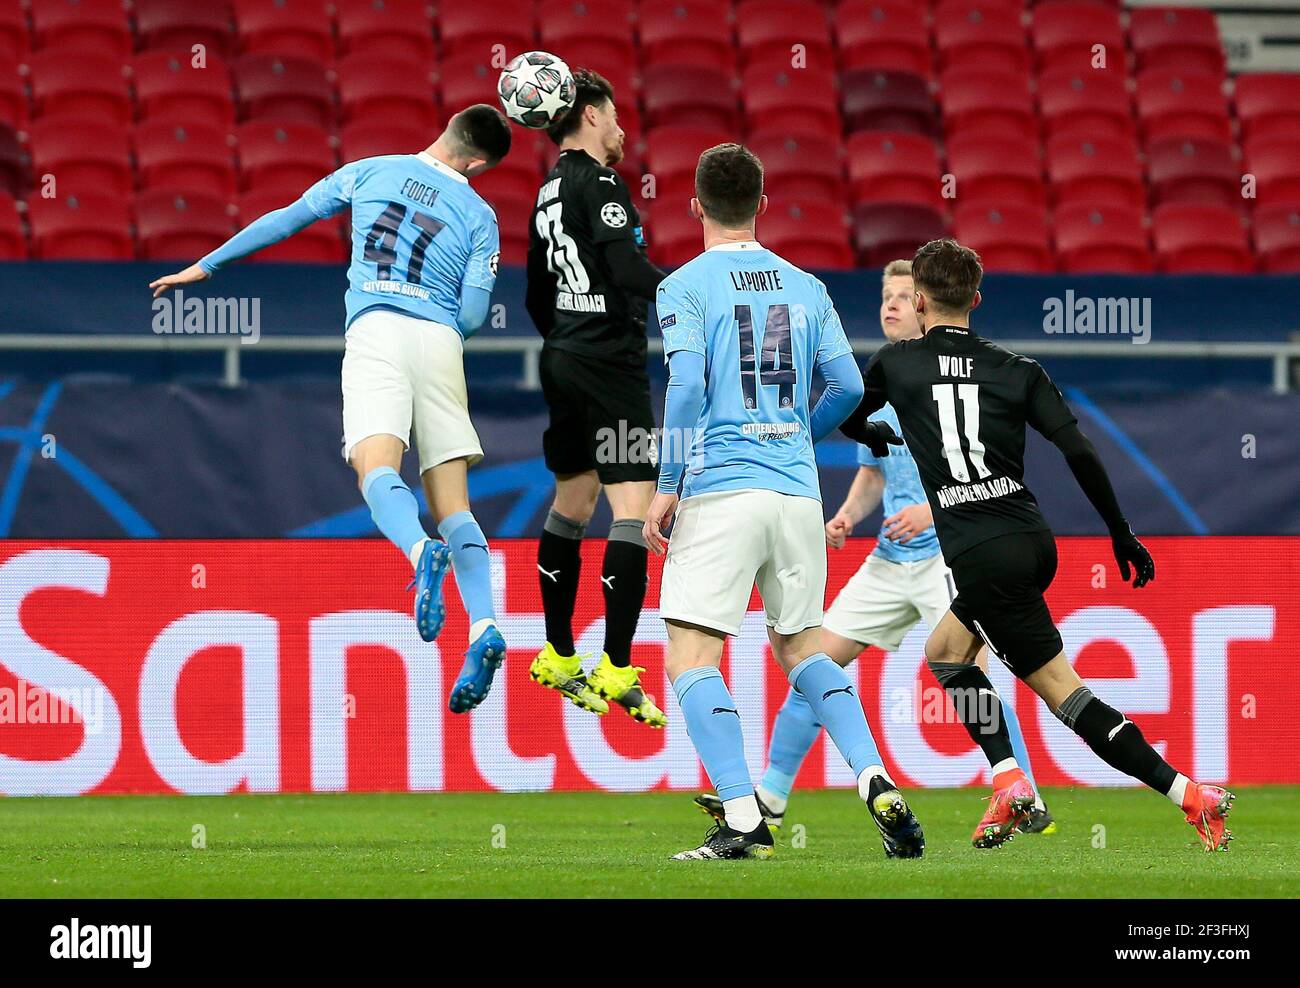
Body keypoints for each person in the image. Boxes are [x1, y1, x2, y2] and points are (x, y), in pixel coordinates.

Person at [840, 238, 1234, 852]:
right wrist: (1120, 531)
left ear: (918, 300)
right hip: (1029, 536)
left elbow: (846, 415)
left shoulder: (897, 365)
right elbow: (1077, 449)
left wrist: (877, 433)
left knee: (1064, 694)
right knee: (947, 651)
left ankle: (1187, 794)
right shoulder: (1020, 371)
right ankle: (1009, 779)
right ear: (976, 298)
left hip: (978, 553)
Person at [149, 105, 513, 715]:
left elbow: (287, 219)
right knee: (456, 507)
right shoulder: (482, 215)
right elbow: (474, 316)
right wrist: (441, 329)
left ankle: (420, 553)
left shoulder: (368, 171)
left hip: (377, 330)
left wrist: (208, 264)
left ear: (448, 132)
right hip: (441, 342)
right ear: (477, 163)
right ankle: (485, 626)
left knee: (376, 471)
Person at [694, 259, 1055, 837]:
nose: (889, 305)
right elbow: (877, 474)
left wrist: (931, 510)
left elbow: (992, 473)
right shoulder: (883, 379)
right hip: (890, 561)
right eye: (884, 296)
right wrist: (845, 516)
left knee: (969, 670)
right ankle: (770, 797)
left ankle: (1025, 796)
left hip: (949, 553)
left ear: (926, 306)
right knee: (812, 662)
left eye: (902, 295)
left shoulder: (957, 380)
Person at [646, 143, 925, 861]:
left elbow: (682, 390)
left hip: (720, 490)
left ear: (696, 205)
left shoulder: (682, 286)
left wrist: (668, 483)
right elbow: (850, 389)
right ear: (762, 206)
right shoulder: (807, 287)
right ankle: (873, 778)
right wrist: (795, 434)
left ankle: (743, 821)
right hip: (798, 493)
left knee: (690, 654)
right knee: (802, 648)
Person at [525, 69, 669, 727]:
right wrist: (696, 292)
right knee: (632, 511)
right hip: (609, 362)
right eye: (612, 116)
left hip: (561, 357)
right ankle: (614, 665)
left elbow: (534, 294)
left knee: (572, 503)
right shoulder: (602, 182)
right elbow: (626, 272)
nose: (620, 130)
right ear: (588, 114)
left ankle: (557, 654)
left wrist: (567, 341)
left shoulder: (546, 191)